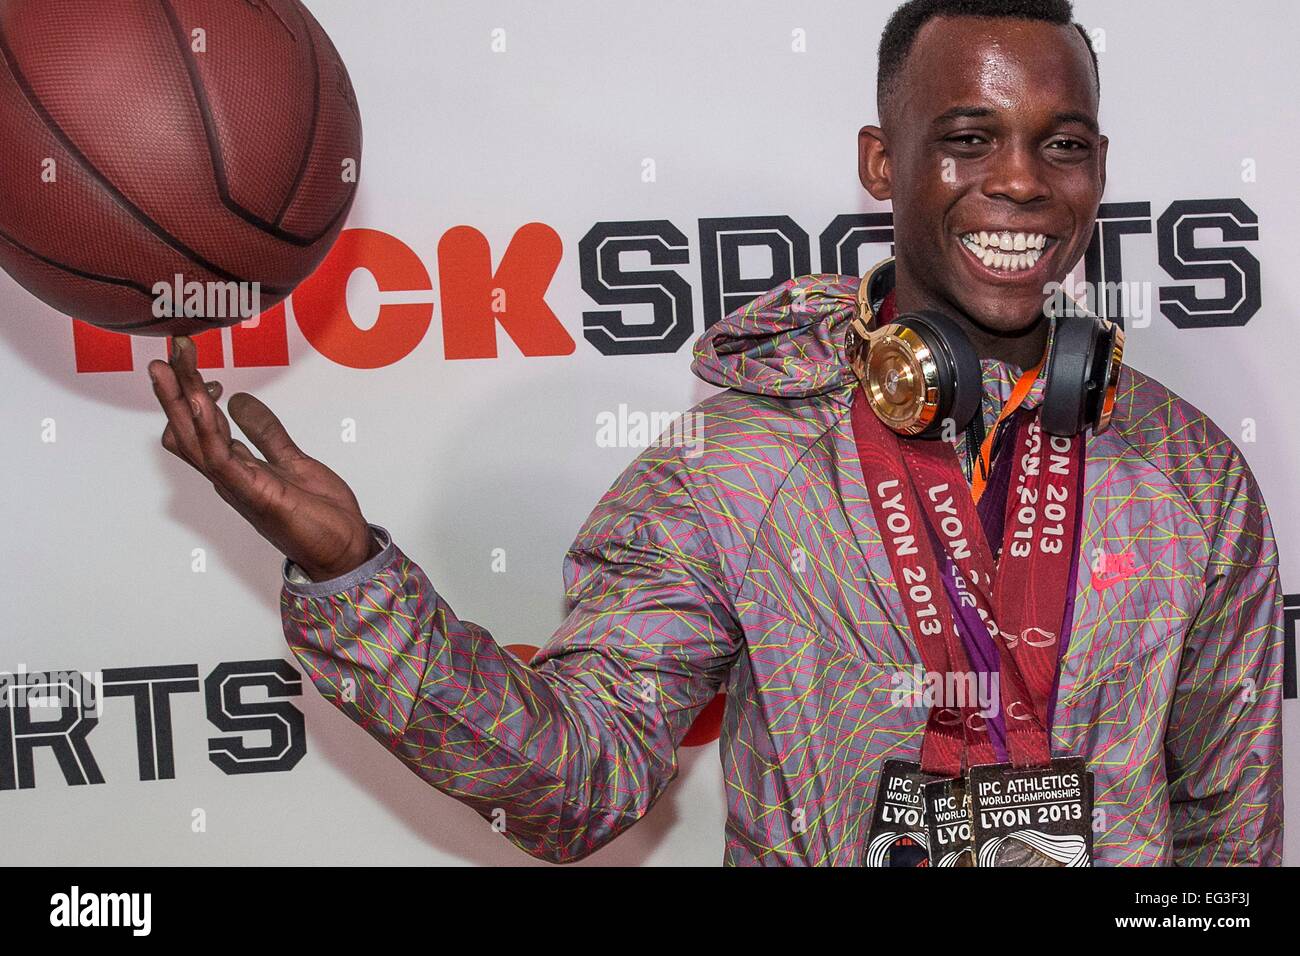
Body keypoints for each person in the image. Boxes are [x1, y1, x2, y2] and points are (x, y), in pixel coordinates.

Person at [147, 0, 1283, 866]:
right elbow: (574, 779)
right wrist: (354, 577)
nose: (1022, 183)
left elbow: (1226, 838)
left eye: (1063, 145)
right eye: (969, 139)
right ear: (881, 162)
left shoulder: (1188, 472)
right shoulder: (735, 466)